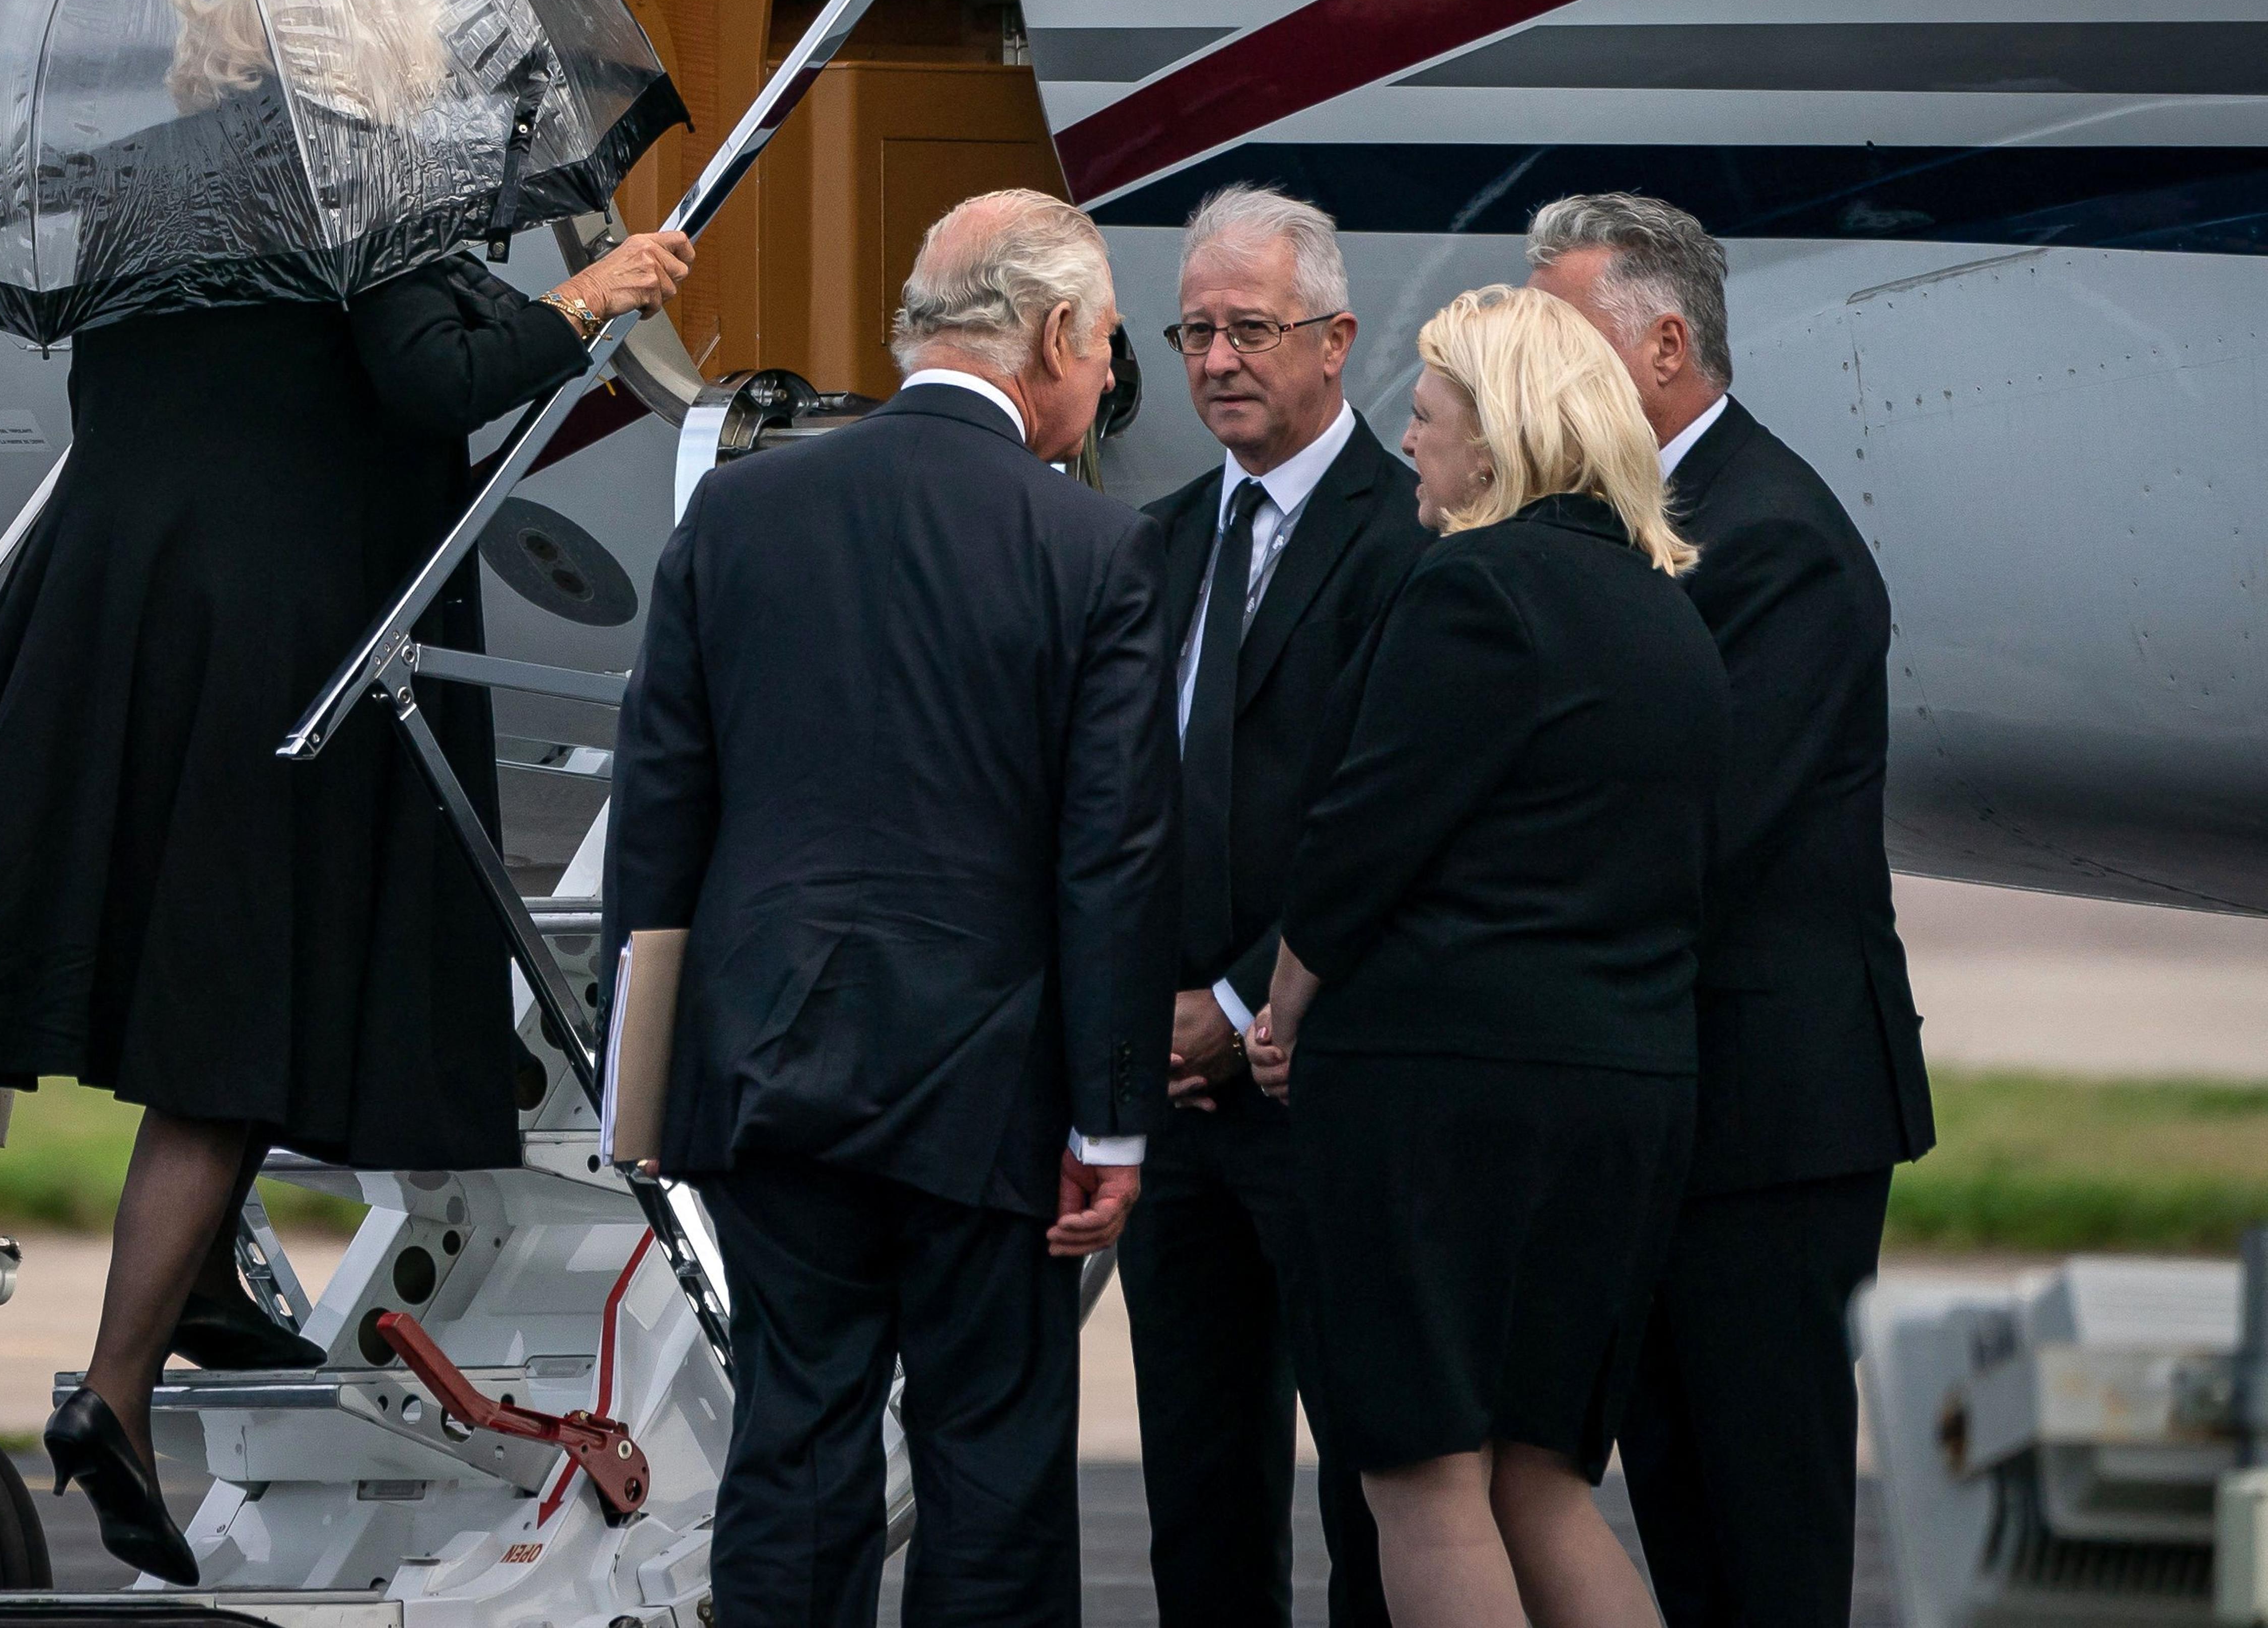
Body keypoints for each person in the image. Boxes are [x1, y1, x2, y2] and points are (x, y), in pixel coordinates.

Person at [0, 0, 695, 1585]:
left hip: (129, 622)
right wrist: (593, 292)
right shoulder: (365, 176)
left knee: (199, 984)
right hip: (285, 643)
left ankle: (202, 1292)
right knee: (231, 1033)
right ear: (366, 41)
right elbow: (431, 375)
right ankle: (121, 1387)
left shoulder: (152, 176)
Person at [607, 189, 1177, 1627]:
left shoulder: (740, 512)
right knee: (992, 1466)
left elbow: (660, 817)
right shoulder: (1094, 552)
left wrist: (646, 1089)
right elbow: (1112, 862)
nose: (1112, 378)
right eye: (1108, 345)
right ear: (1053, 334)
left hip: (768, 1074)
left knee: (795, 1442)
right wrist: (1111, 1122)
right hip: (991, 1089)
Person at [1250, 284, 1727, 1628]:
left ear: (1498, 439)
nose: (1408, 446)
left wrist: (1282, 1007)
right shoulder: (1666, 615)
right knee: (1543, 1481)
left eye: (1426, 418)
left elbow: (1359, 840)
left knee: (1424, 1482)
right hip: (1625, 1093)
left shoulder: (1472, 586)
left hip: (1443, 1102)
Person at [1526, 193, 1936, 1628]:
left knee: (1762, 1535)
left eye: (1558, 342)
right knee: (1686, 1517)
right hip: (1671, 1110)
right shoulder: (1637, 524)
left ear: (1662, 346)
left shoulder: (1776, 540)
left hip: (1770, 1125)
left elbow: (1693, 827)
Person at [1121, 185, 1428, 1628]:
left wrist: (1239, 1002)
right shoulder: (1162, 538)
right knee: (1196, 1486)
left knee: (1376, 1490)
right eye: (1195, 332)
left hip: (1329, 1082)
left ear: (1339, 341)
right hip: (1173, 1110)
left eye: (1252, 329)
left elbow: (1384, 815)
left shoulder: (1413, 539)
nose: (1219, 360)